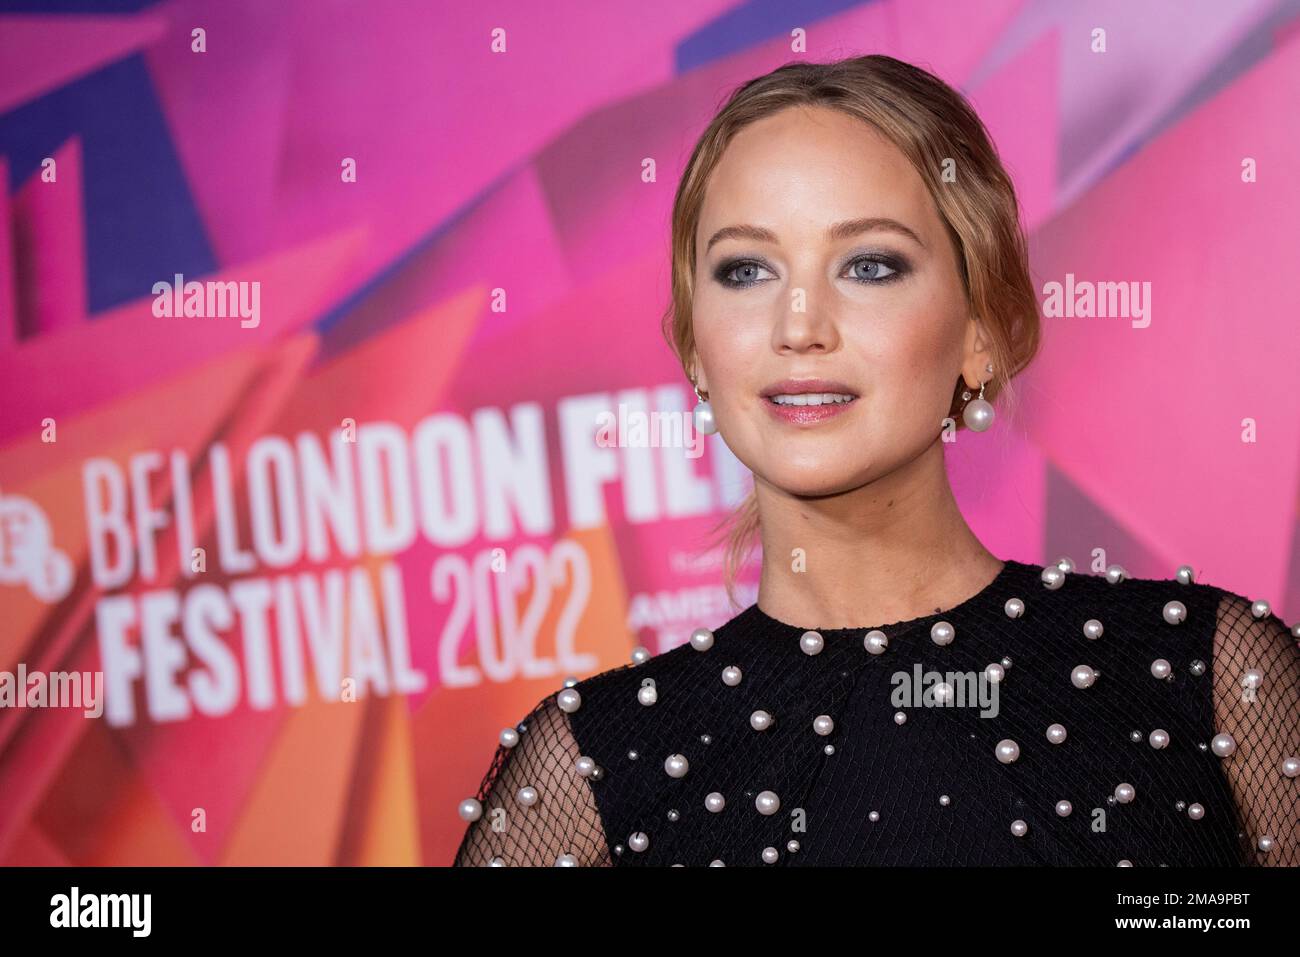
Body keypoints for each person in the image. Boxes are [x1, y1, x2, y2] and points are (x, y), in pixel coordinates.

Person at [452, 54, 1300, 867]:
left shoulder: (1207, 679)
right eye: (746, 269)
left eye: (869, 264)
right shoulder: (595, 767)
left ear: (981, 332)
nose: (798, 324)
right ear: (696, 349)